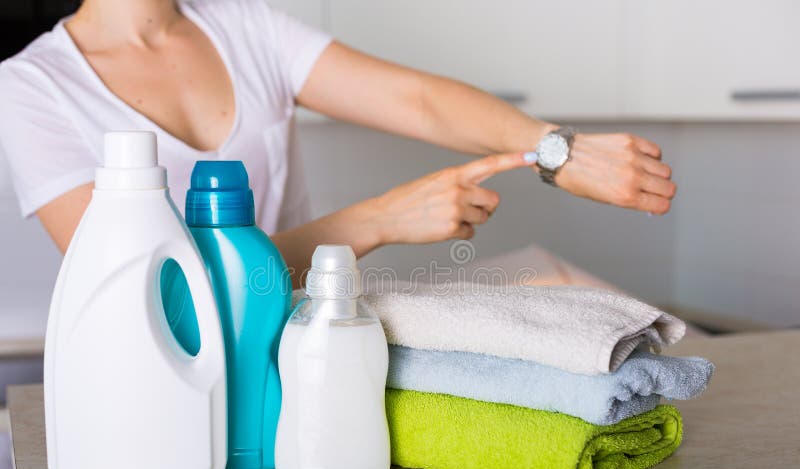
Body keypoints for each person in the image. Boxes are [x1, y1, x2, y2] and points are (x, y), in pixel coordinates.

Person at [0, 0, 674, 283]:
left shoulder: (246, 27)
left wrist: (557, 150)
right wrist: (376, 219)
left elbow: (417, 99)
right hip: (159, 392)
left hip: (296, 360)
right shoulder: (33, 86)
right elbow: (150, 287)